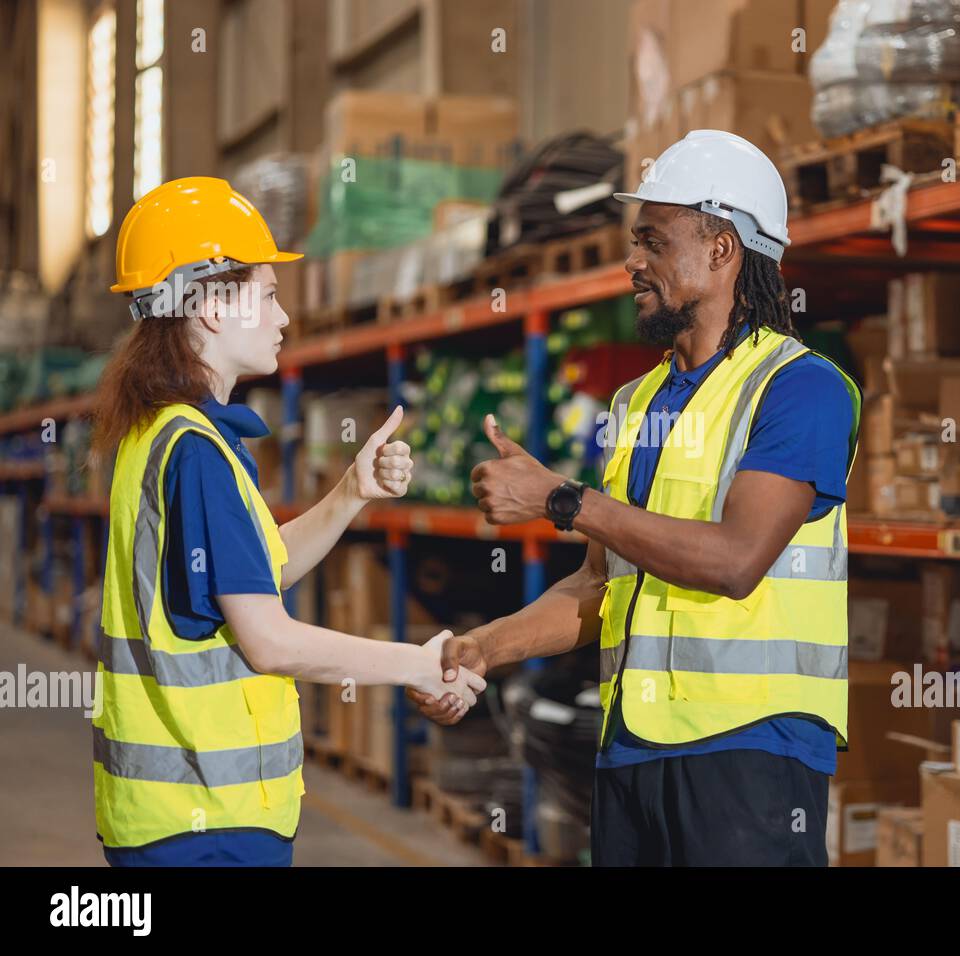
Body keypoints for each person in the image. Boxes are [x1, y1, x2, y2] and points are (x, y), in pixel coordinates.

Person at [410, 130, 862, 866]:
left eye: (653, 242)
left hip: (749, 755)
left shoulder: (801, 388)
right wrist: (484, 648)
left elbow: (736, 561)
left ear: (723, 250)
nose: (633, 263)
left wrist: (562, 498)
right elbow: (600, 584)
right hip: (631, 749)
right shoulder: (635, 403)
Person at [92, 177, 484, 867]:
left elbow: (252, 573)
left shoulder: (166, 436)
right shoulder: (196, 453)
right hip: (207, 824)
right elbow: (268, 641)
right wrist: (418, 663)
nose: (283, 319)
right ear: (212, 306)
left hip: (174, 818)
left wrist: (348, 493)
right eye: (268, 296)